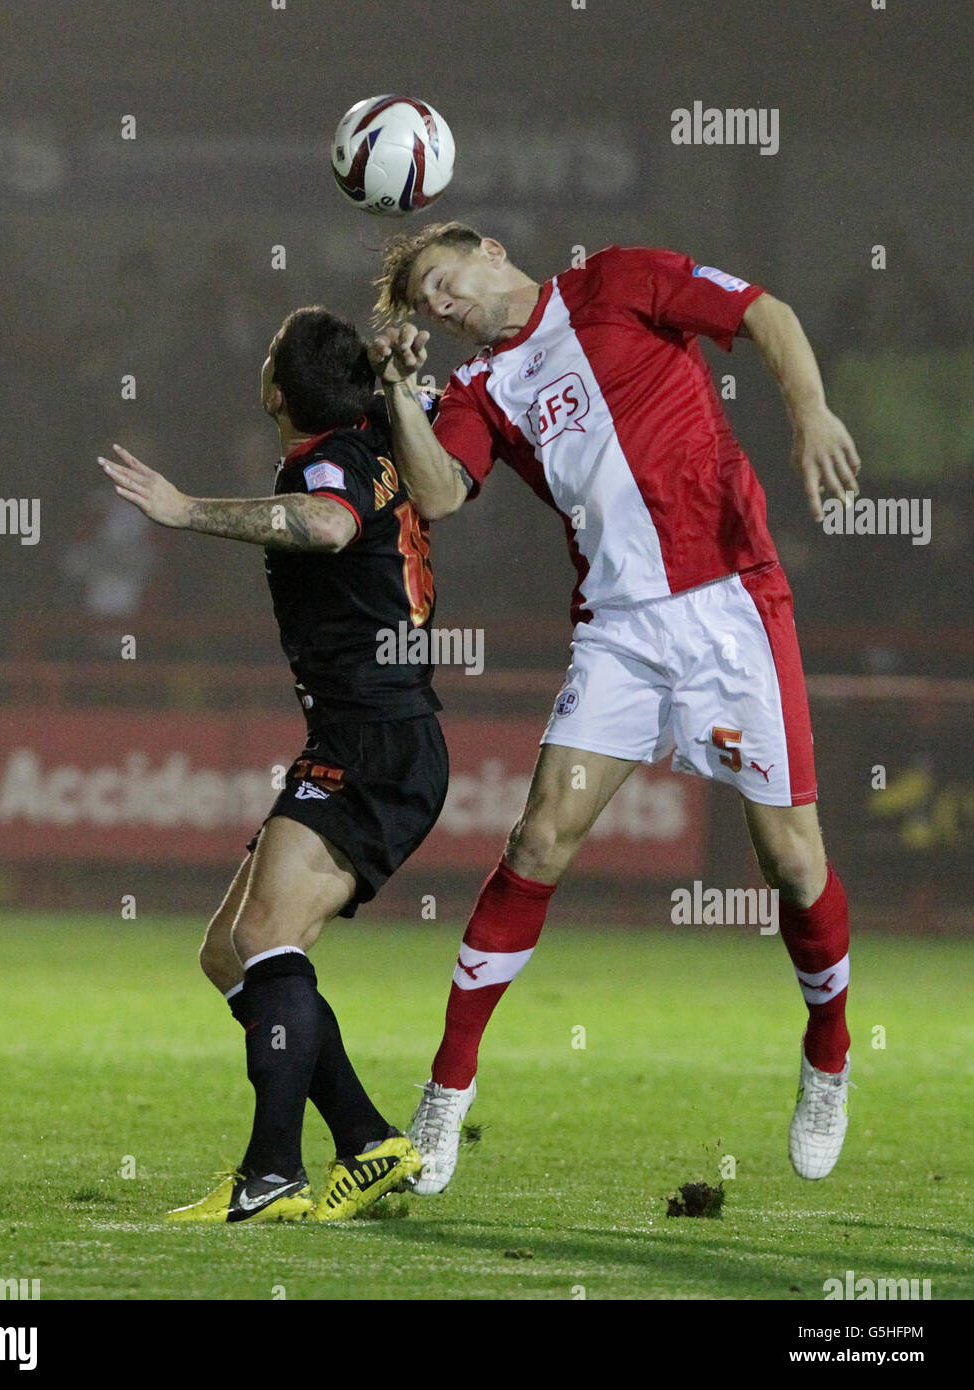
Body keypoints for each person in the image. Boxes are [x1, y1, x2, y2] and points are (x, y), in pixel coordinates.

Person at [368, 223, 862, 1193]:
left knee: (793, 860)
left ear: (490, 249)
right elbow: (437, 496)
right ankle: (444, 1091)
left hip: (728, 601)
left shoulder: (619, 281)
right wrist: (394, 388)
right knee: (537, 839)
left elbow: (764, 310)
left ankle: (828, 1055)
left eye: (442, 279)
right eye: (426, 302)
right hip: (618, 631)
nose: (442, 304)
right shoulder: (474, 389)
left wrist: (807, 411)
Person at [99, 306, 447, 1222]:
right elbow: (411, 410)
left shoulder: (327, 460)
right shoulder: (377, 432)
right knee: (231, 952)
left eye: (267, 359)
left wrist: (183, 511)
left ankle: (272, 1172)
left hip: (371, 744)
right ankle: (369, 1142)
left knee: (264, 941)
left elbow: (329, 525)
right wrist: (398, 361)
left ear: (278, 393)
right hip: (371, 737)